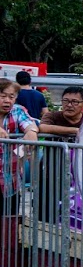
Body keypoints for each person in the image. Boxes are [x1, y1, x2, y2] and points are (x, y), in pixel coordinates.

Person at [1, 78, 40, 213]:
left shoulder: (18, 111)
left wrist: (31, 131)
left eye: (11, 97)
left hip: (10, 182)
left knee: (9, 223)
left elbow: (29, 124)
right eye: (3, 96)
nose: (7, 100)